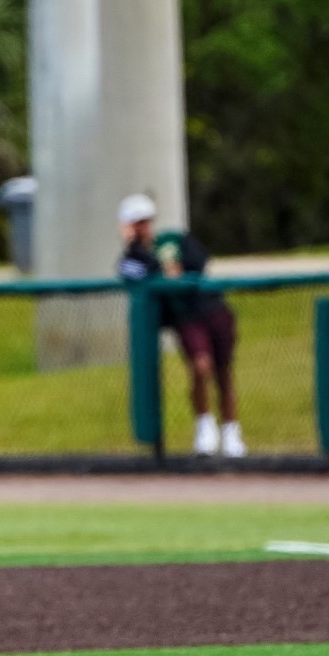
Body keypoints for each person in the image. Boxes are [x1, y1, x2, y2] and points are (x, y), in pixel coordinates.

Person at [116, 194, 244, 458]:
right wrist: (139, 250)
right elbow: (142, 273)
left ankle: (231, 432)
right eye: (136, 223)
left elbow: (198, 262)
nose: (143, 227)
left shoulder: (173, 239)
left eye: (145, 221)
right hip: (185, 318)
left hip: (212, 308)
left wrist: (173, 269)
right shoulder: (130, 258)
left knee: (224, 373)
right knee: (200, 366)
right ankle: (205, 428)